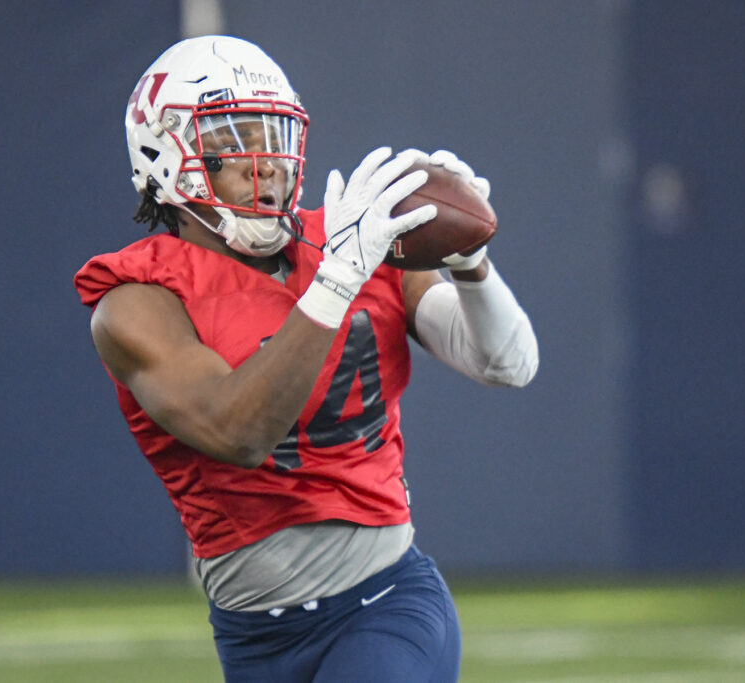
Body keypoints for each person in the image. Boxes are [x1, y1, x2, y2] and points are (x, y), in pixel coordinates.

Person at [73, 35, 538, 682]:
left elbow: (507, 363)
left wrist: (472, 265)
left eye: (275, 135)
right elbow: (236, 431)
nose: (265, 162)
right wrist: (335, 283)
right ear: (165, 151)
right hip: (253, 635)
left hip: (384, 602)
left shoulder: (354, 242)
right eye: (235, 139)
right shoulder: (137, 304)